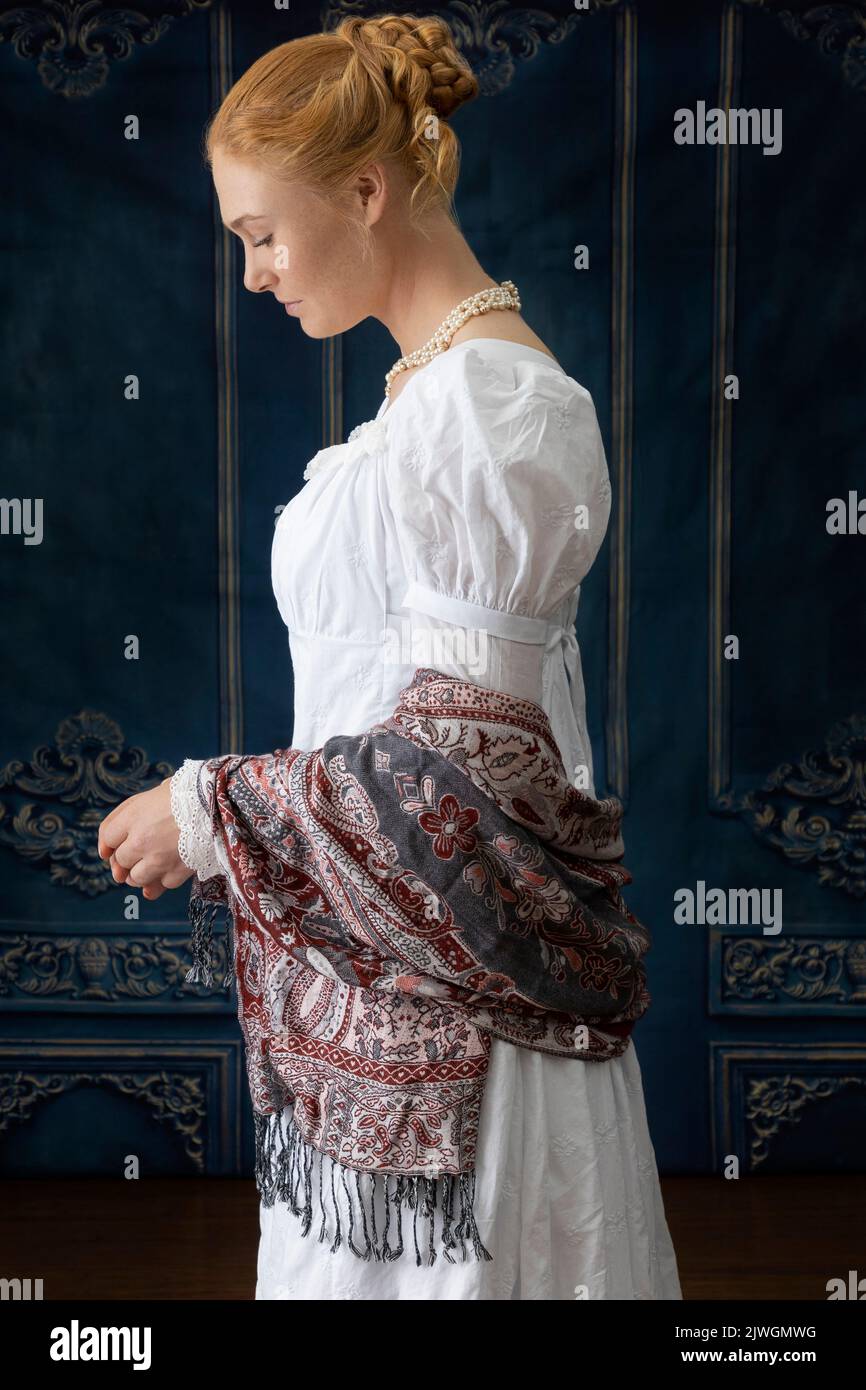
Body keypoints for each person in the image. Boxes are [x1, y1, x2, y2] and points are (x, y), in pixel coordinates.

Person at [98, 12, 682, 1301]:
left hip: (464, 1009)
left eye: (261, 234)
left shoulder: (490, 410)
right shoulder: (427, 399)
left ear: (367, 190)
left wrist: (205, 808)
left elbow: (465, 779)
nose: (253, 274)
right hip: (384, 972)